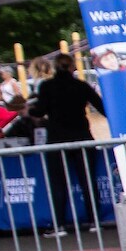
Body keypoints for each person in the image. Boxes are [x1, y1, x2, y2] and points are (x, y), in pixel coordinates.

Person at [30, 52, 105, 236]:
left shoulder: (47, 86)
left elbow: (39, 111)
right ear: (72, 67)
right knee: (88, 181)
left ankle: (60, 225)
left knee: (58, 183)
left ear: (55, 67)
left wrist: (30, 109)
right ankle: (94, 221)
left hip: (57, 139)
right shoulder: (81, 86)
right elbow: (102, 107)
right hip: (82, 136)